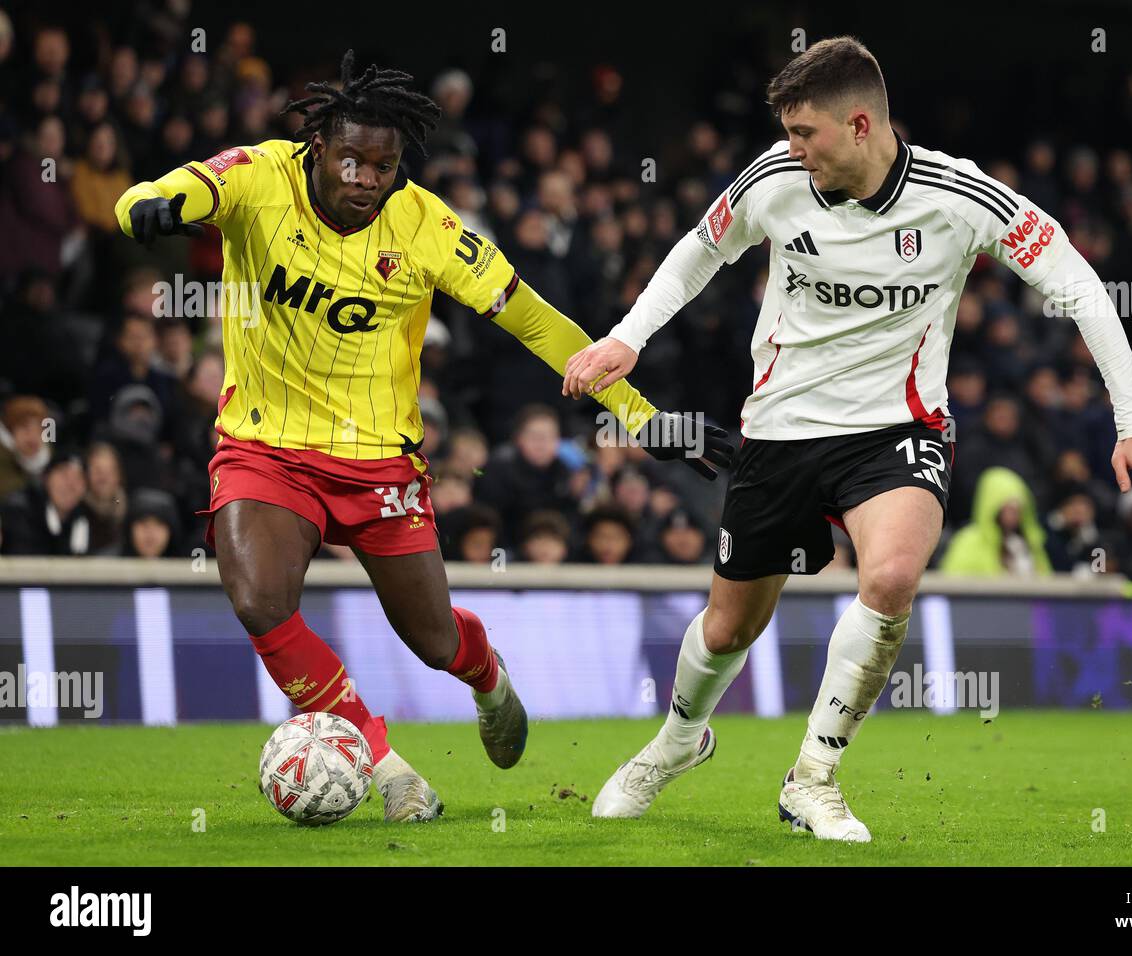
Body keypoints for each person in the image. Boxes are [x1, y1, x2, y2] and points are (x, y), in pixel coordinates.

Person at [566, 37, 1132, 841]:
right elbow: (701, 249)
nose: (792, 151)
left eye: (807, 135)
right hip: (781, 428)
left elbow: (1077, 282)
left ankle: (814, 777)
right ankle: (675, 743)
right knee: (728, 629)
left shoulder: (958, 196)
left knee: (894, 574)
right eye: (789, 134)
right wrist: (629, 338)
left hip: (896, 429)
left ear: (861, 124)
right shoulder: (774, 180)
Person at [114, 51, 731, 823]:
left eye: (386, 164)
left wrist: (642, 416)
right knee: (260, 601)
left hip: (380, 463)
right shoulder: (259, 179)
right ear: (318, 149)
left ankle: (488, 678)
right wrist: (149, 203)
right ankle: (386, 763)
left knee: (434, 640)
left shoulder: (430, 227)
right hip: (264, 447)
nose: (370, 177)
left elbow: (536, 320)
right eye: (353, 158)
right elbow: (179, 184)